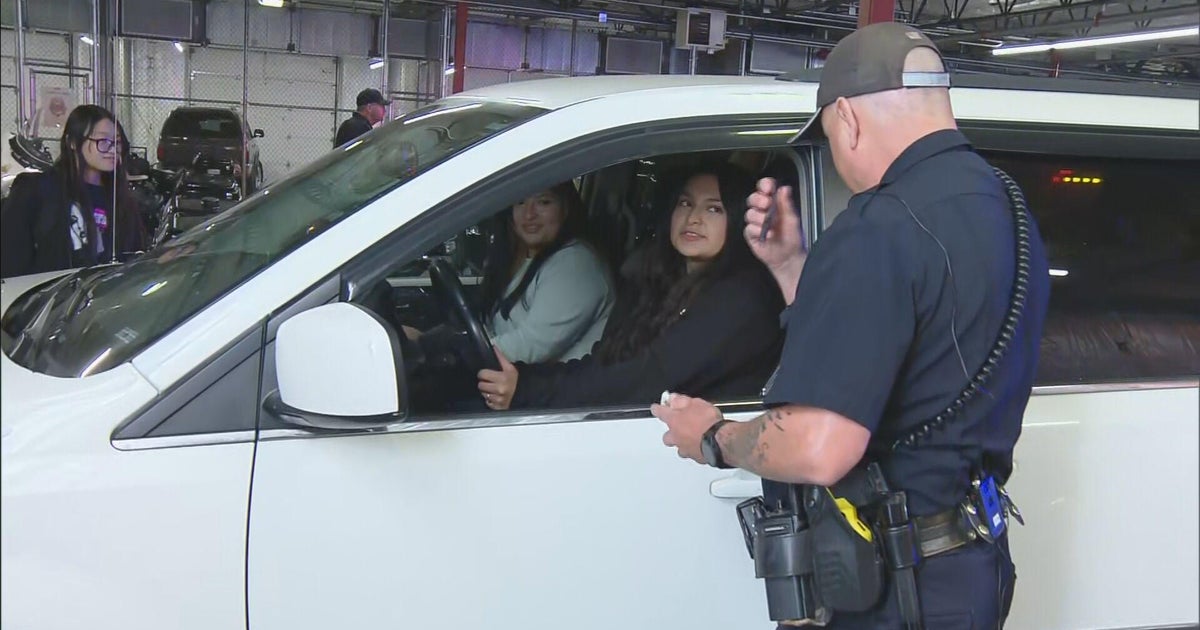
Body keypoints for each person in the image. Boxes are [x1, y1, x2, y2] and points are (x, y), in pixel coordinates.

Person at [651, 22, 1051, 629]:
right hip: (971, 568)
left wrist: (713, 437)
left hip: (899, 591)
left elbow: (819, 448)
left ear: (848, 120)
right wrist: (792, 267)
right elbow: (915, 340)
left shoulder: (876, 228)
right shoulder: (1005, 205)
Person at [476, 163, 784, 411]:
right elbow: (604, 365)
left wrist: (526, 389)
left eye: (713, 209)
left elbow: (644, 379)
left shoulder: (742, 299)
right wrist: (522, 380)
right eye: (685, 203)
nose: (693, 218)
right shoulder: (659, 283)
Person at [2, 104, 147, 279]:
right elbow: (11, 258)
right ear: (72, 142)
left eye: (117, 142)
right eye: (103, 141)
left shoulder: (121, 198)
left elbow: (137, 255)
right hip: (51, 299)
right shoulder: (37, 190)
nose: (112, 149)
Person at [476, 182, 615, 364]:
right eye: (520, 202)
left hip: (558, 388)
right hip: (522, 382)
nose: (529, 214)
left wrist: (466, 353)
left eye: (544, 202)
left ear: (565, 209)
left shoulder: (575, 263)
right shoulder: (521, 259)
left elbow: (529, 346)